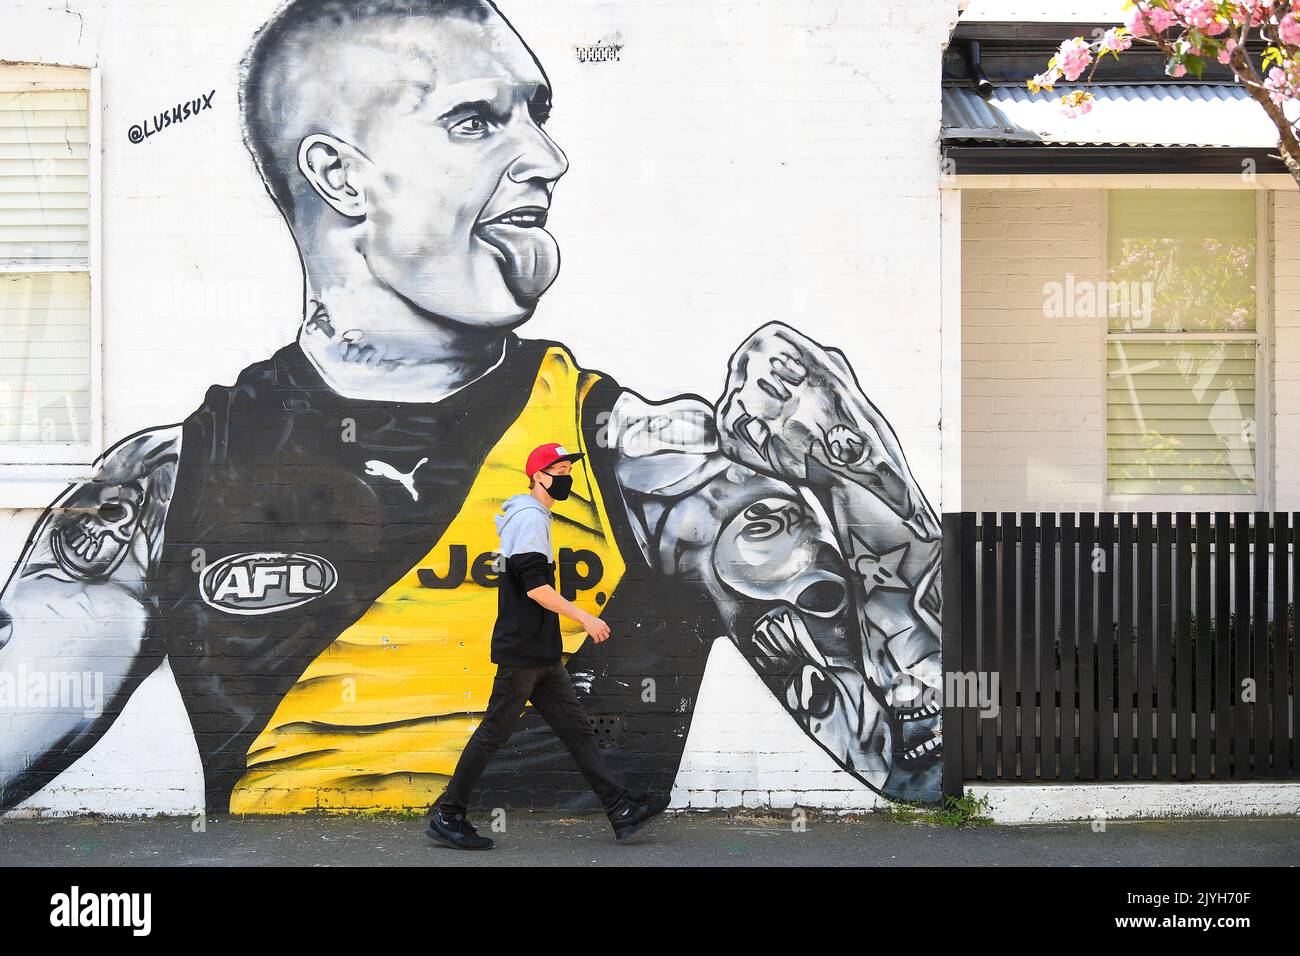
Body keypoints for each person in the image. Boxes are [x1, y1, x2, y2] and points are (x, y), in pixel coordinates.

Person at [0, 0, 944, 821]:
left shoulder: (648, 460)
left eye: (537, 113)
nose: (549, 158)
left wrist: (858, 477)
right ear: (339, 175)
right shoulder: (167, 485)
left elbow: (930, 762)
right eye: (475, 121)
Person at [426, 443, 671, 849]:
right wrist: (586, 619)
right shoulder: (529, 519)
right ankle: (448, 817)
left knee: (576, 731)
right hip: (522, 651)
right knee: (494, 733)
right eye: (558, 469)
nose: (565, 476)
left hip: (540, 651)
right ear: (539, 476)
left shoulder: (534, 515)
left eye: (566, 468)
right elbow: (536, 588)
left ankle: (621, 810)